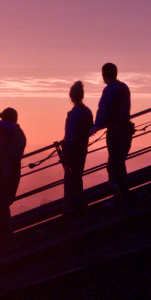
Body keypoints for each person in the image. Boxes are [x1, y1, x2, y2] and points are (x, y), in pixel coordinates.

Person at [89, 62, 133, 204]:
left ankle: (120, 197)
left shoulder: (109, 90)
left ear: (105, 74)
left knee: (114, 165)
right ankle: (122, 195)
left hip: (115, 132)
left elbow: (103, 109)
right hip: (127, 130)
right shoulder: (124, 87)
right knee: (119, 164)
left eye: (102, 73)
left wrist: (96, 125)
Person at [0, 108, 27, 243]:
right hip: (14, 170)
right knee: (5, 202)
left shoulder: (7, 129)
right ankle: (1, 230)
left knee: (1, 203)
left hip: (3, 171)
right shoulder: (19, 132)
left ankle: (3, 233)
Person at [61, 81, 93, 215]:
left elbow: (70, 135)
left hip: (72, 151)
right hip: (82, 149)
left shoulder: (72, 114)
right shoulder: (87, 112)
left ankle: (72, 208)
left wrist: (64, 147)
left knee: (70, 180)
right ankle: (78, 206)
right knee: (77, 176)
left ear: (71, 96)